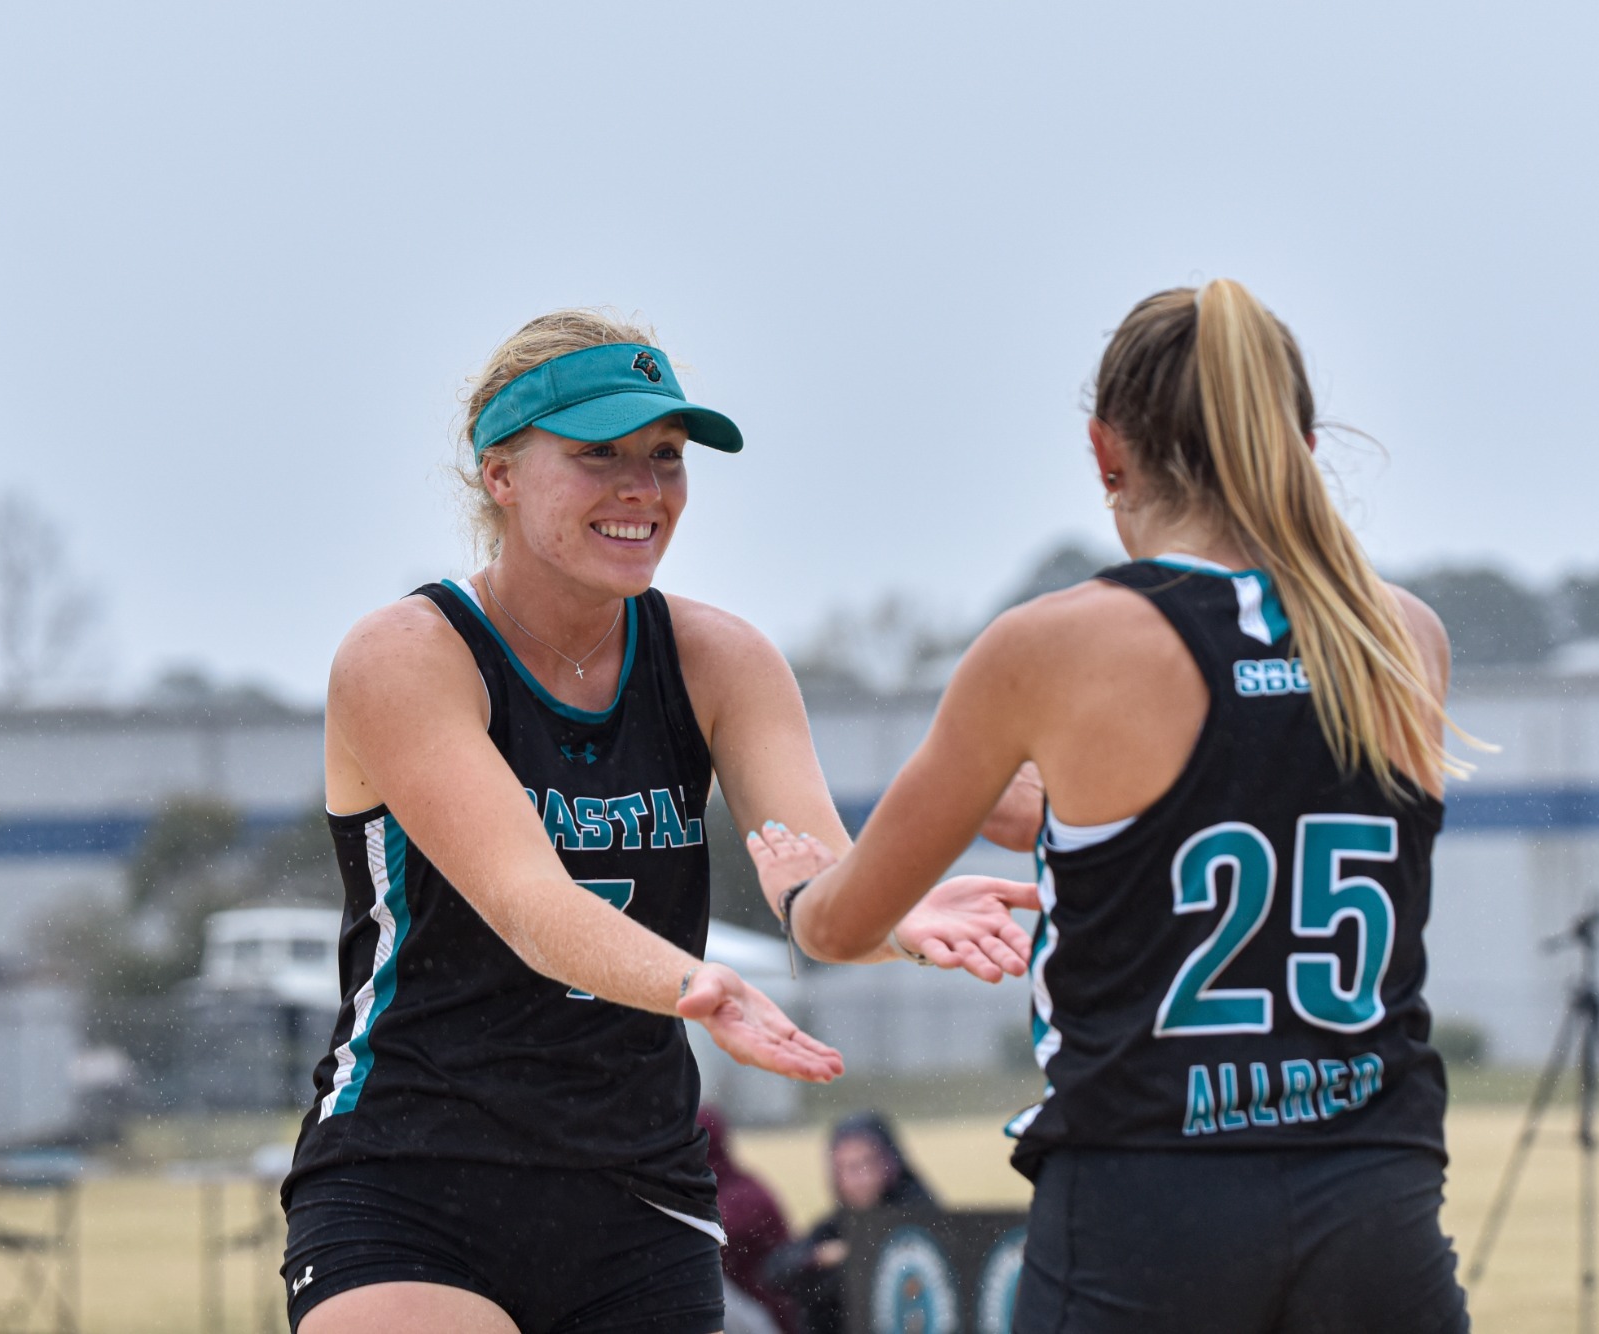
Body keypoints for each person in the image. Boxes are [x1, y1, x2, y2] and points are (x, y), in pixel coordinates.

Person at [280, 309, 1038, 1334]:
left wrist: (893, 911)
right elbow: (529, 903)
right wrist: (697, 985)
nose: (643, 486)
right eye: (599, 454)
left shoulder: (722, 658)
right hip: (410, 1171)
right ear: (500, 474)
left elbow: (811, 881)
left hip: (635, 1192)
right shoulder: (406, 654)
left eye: (667, 456)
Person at [750, 280, 1474, 1332]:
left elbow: (841, 925)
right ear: (1303, 449)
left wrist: (798, 890)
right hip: (1371, 1192)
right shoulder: (1403, 634)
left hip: (1148, 1197)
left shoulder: (1055, 644)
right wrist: (1071, 829)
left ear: (1104, 450)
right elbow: (1244, 799)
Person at [764, 1112, 938, 1334]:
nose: (858, 1179)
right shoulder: (841, 1224)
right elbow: (777, 1271)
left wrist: (856, 1255)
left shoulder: (919, 1215)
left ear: (889, 1163)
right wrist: (819, 1257)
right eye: (845, 1168)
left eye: (865, 1164)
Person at [695, 1105, 795, 1334]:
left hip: (771, 1322)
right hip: (752, 1317)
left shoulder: (743, 1196)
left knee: (691, 1278)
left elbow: (696, 1240)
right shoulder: (728, 1187)